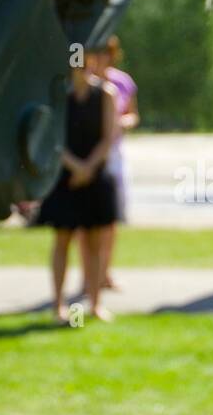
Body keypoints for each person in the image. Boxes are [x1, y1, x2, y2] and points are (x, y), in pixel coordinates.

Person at [38, 51, 120, 323]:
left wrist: (88, 168)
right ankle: (58, 305)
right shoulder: (59, 96)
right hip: (66, 178)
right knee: (62, 240)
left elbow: (109, 138)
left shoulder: (105, 94)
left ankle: (95, 303)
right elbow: (53, 139)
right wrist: (75, 167)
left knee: (95, 243)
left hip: (94, 175)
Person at [99, 36, 138, 290]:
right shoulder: (85, 83)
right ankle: (91, 274)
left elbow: (133, 114)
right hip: (91, 154)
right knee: (89, 221)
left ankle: (105, 271)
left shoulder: (122, 82)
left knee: (111, 217)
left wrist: (122, 123)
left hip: (114, 154)